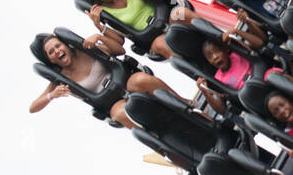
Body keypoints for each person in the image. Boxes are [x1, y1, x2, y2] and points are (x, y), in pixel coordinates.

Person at [28, 33, 180, 129]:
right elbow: (33, 107)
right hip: (110, 103)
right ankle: (159, 133)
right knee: (121, 114)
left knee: (141, 80)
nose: (57, 51)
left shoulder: (84, 49)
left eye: (58, 45)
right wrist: (51, 96)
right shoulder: (60, 79)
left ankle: (182, 102)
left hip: (126, 81)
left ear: (65, 45)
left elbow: (119, 51)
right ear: (49, 59)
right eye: (51, 52)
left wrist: (99, 38)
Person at [69, 0, 191, 59]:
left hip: (166, 16)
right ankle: (193, 68)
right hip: (150, 38)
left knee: (182, 14)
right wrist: (99, 25)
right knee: (162, 45)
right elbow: (119, 42)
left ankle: (208, 33)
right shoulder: (102, 11)